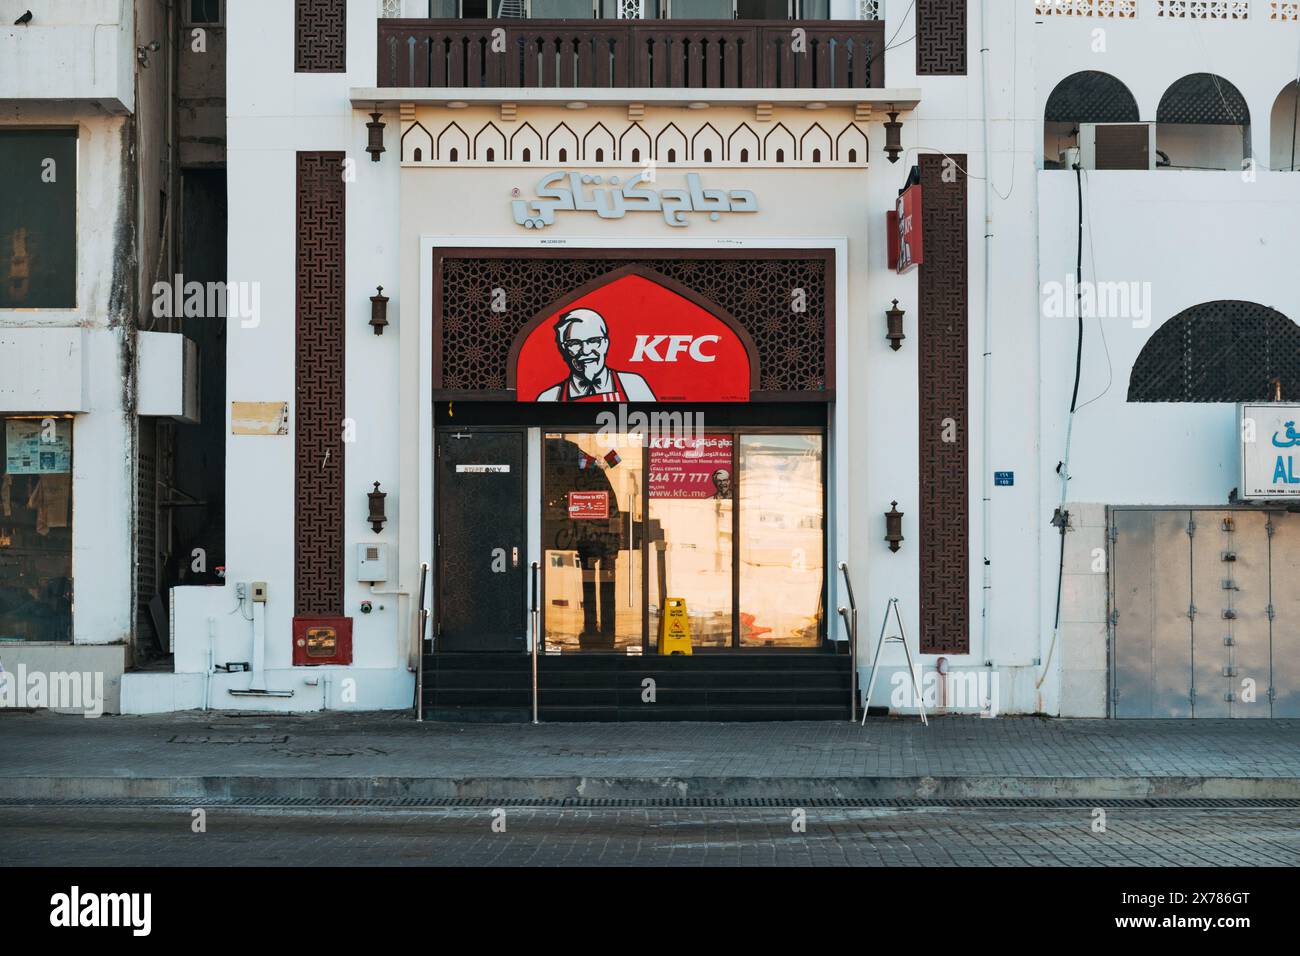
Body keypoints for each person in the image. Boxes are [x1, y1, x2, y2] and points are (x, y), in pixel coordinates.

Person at [536, 308, 656, 402]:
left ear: (605, 344)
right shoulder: (550, 397)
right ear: (564, 348)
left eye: (593, 341)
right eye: (574, 343)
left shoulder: (632, 384)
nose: (586, 351)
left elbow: (656, 428)